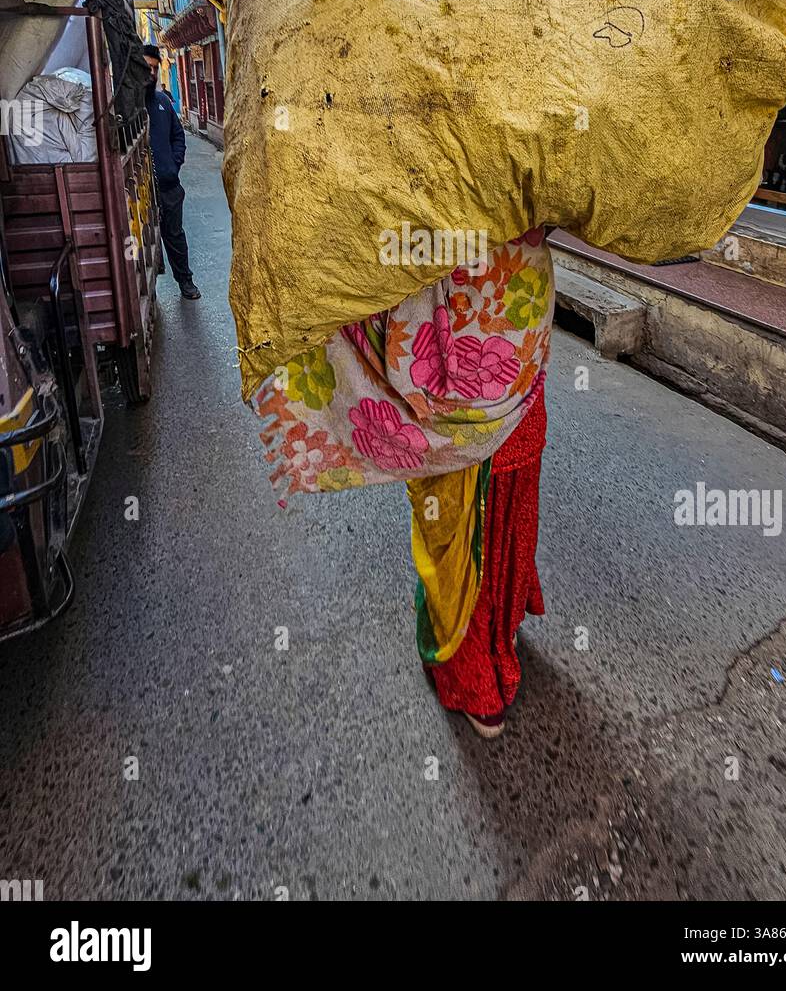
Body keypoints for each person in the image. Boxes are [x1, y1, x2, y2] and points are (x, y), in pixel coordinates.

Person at [252, 229, 554, 739]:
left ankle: (475, 673)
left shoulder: (419, 164)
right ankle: (495, 640)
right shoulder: (527, 157)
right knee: (494, 511)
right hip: (517, 341)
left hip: (459, 358)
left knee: (463, 516)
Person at [143, 44, 201, 301]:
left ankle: (185, 282)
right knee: (140, 245)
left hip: (168, 187)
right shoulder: (127, 107)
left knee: (174, 236)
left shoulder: (163, 103)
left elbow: (178, 137)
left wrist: (173, 164)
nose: (150, 73)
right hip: (140, 193)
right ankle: (146, 291)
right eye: (146, 67)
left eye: (154, 68)